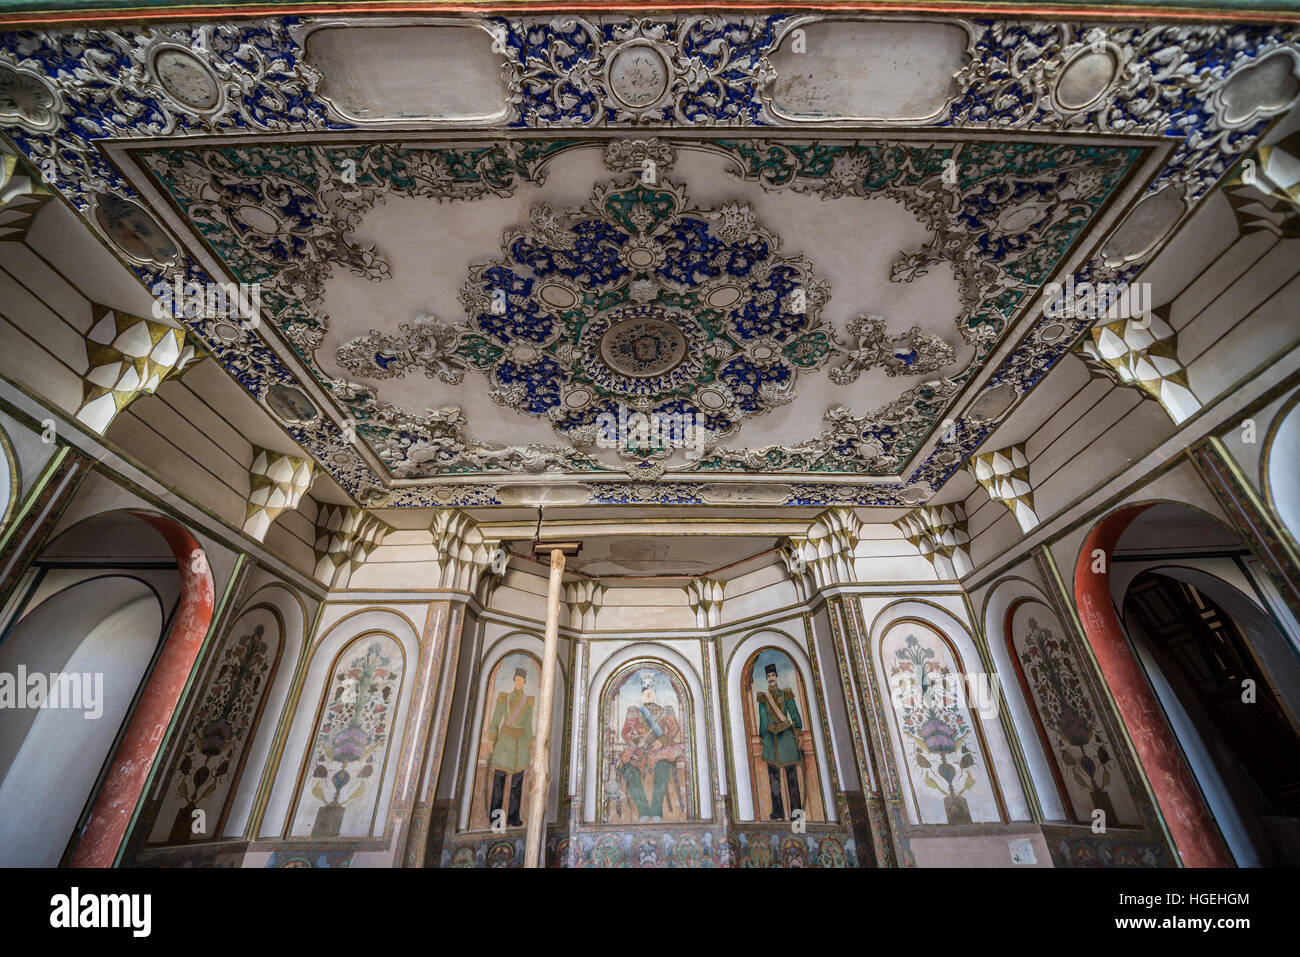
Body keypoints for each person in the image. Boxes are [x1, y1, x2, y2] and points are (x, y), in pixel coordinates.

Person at [618, 673, 683, 822]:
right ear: (642, 694)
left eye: (650, 692)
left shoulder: (664, 710)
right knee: (628, 770)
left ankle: (656, 813)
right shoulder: (634, 711)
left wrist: (662, 741)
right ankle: (644, 812)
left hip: (660, 750)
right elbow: (626, 732)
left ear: (654, 693)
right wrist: (636, 740)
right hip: (639, 750)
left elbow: (674, 728)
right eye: (645, 692)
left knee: (663, 767)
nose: (648, 695)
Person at [486, 666, 534, 828]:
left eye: (522, 681)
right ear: (514, 680)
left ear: (524, 682)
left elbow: (528, 725)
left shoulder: (527, 701)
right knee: (499, 780)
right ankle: (496, 818)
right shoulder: (504, 698)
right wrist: (492, 739)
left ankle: (513, 816)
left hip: (520, 744)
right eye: (517, 680)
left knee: (517, 784)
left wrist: (529, 744)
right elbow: (496, 719)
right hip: (504, 742)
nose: (519, 683)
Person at [757, 663, 803, 820]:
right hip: (771, 739)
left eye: (772, 676)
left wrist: (797, 729)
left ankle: (796, 813)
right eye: (768, 676)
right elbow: (763, 718)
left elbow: (794, 712)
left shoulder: (786, 694)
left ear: (776, 677)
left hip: (787, 739)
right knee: (773, 779)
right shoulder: (763, 697)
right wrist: (762, 735)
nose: (770, 678)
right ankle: (778, 812)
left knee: (792, 778)